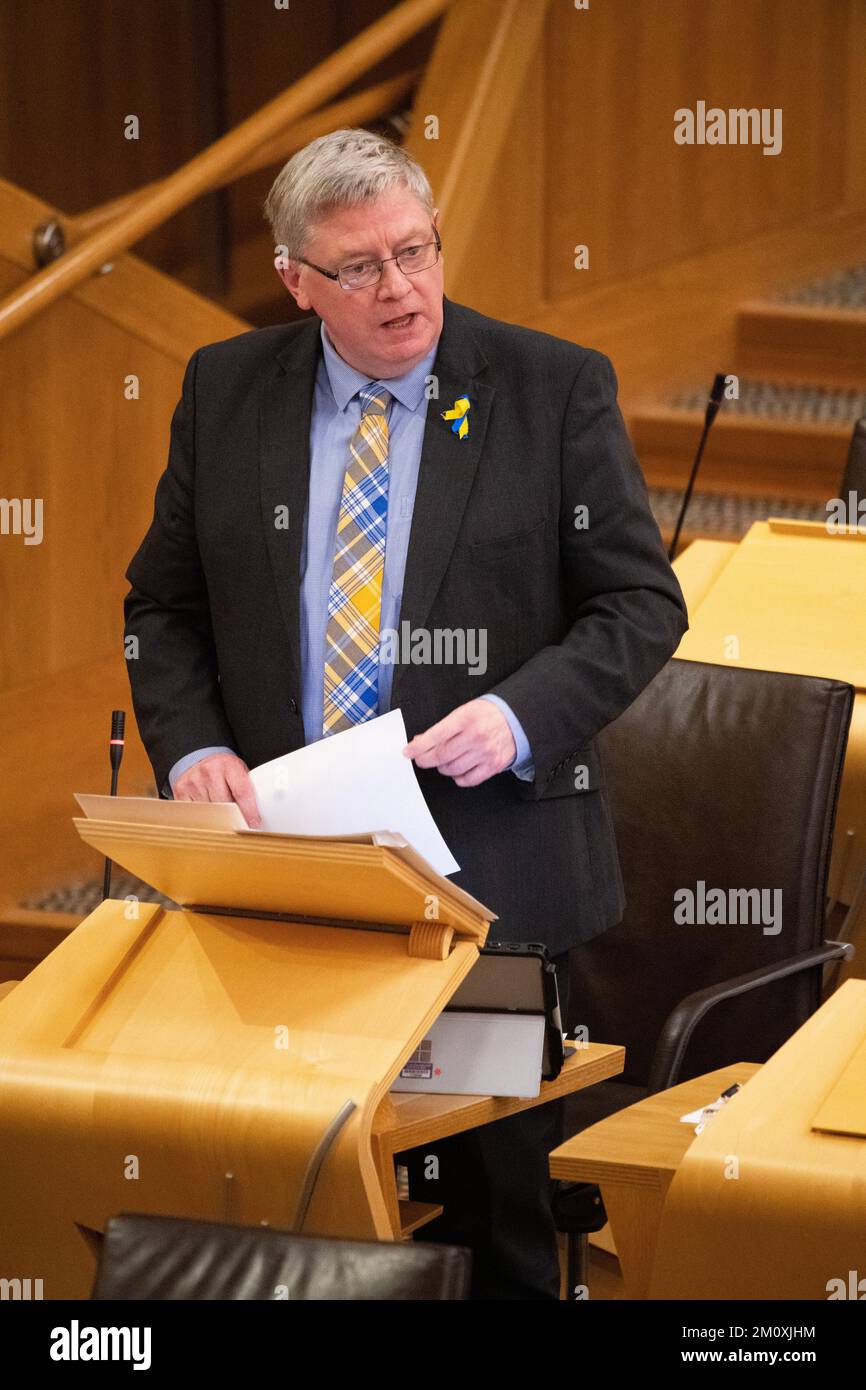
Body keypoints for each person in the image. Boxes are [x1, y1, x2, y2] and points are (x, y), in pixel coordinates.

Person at [123, 127, 688, 1300]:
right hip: (288, 875)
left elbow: (637, 602)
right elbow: (160, 606)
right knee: (281, 1184)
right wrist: (197, 745)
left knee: (492, 1221)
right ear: (296, 281)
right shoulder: (225, 391)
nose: (400, 289)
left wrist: (520, 716)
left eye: (415, 251)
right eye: (360, 267)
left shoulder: (547, 387)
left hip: (489, 885)